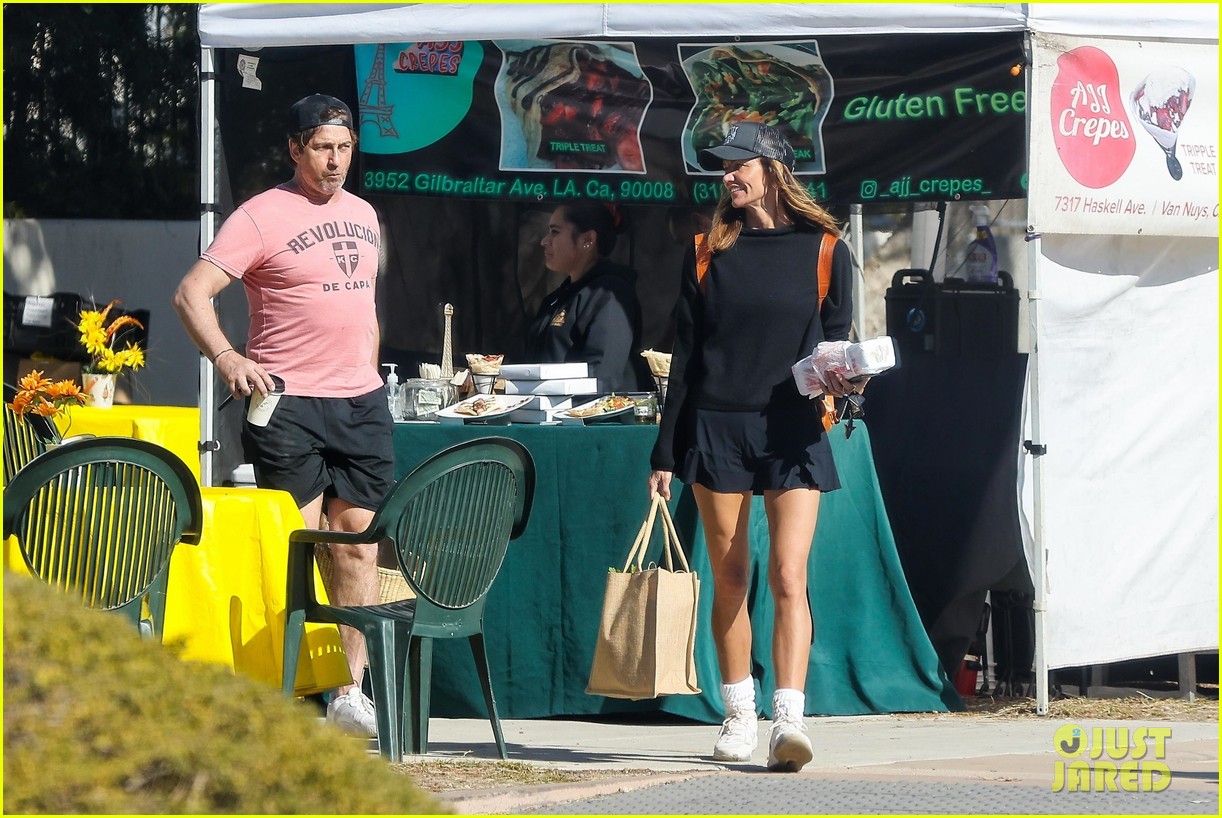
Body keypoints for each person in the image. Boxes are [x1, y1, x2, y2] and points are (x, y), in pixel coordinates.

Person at [172, 94, 391, 739]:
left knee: (357, 545)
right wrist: (227, 358)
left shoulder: (365, 213)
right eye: (322, 147)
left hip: (359, 401)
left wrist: (368, 372)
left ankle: (350, 692)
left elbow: (366, 309)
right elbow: (191, 293)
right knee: (295, 548)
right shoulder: (262, 215)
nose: (334, 160)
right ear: (295, 149)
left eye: (344, 147)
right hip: (287, 403)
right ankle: (292, 692)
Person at [646, 121, 860, 772]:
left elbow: (836, 345)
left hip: (792, 429)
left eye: (739, 163)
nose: (727, 175)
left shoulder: (826, 248)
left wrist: (849, 378)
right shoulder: (708, 249)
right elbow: (684, 356)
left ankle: (788, 719)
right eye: (722, 167)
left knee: (790, 576)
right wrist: (664, 450)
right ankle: (740, 712)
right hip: (717, 426)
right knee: (732, 575)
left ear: (773, 170)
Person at [525, 202, 653, 392]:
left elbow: (602, 377)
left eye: (555, 231)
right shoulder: (557, 298)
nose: (544, 241)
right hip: (545, 415)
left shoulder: (611, 294)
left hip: (584, 419)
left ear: (587, 239)